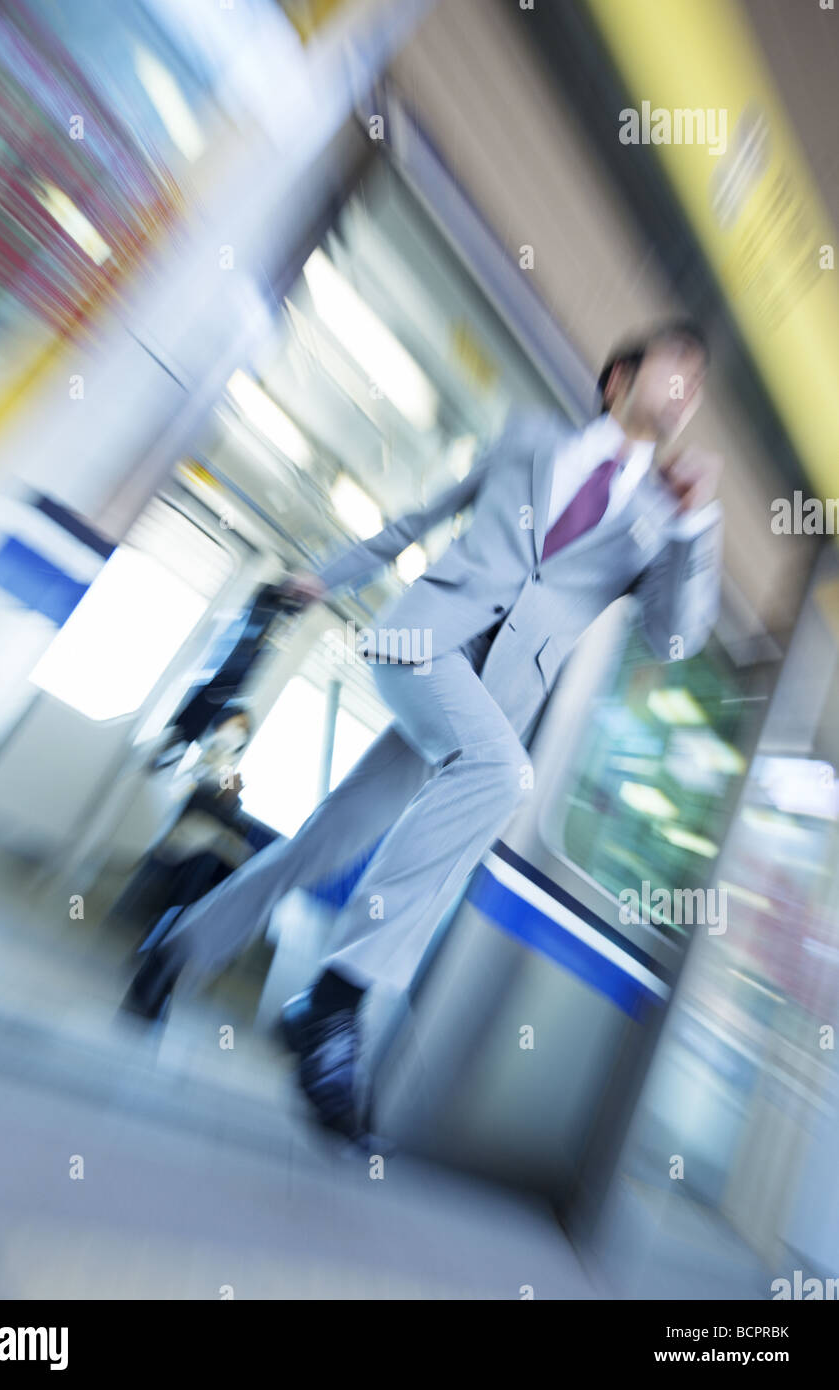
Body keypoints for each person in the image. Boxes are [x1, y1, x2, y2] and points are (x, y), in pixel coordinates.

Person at [120, 319, 724, 1141]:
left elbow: (675, 638)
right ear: (618, 377)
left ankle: (174, 954)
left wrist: (695, 528)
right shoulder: (530, 436)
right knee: (501, 777)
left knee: (325, 844)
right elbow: (422, 517)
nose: (686, 393)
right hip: (422, 640)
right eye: (675, 370)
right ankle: (334, 1005)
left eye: (697, 386)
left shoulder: (661, 519)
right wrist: (325, 577)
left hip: (487, 703)